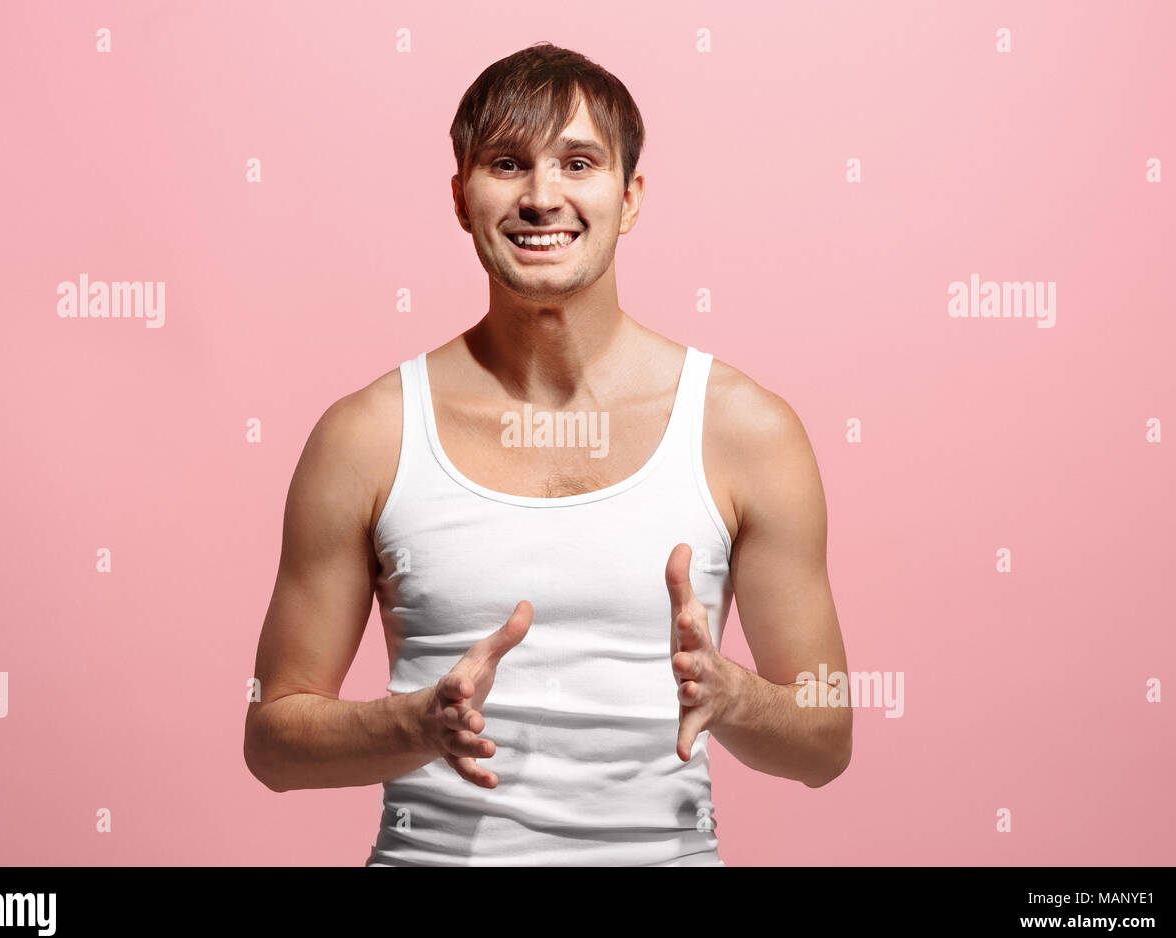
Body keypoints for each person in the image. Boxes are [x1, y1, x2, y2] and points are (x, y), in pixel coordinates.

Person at [242, 42, 851, 866]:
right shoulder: (367, 435)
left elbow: (825, 743)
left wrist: (736, 695)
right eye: (506, 164)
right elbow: (273, 742)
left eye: (578, 163)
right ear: (460, 199)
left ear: (629, 199)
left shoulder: (747, 430)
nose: (540, 197)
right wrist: (413, 724)